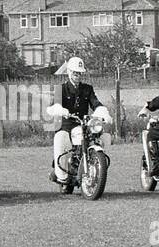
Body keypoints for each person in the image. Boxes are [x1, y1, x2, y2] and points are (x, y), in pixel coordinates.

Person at [47, 56, 112, 184]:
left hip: (83, 124)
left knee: (103, 137)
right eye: (74, 72)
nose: (77, 75)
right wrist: (60, 110)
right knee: (60, 139)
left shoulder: (87, 89)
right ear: (69, 72)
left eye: (79, 73)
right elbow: (54, 104)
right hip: (65, 124)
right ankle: (61, 174)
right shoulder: (61, 89)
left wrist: (102, 111)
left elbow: (95, 102)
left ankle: (97, 165)